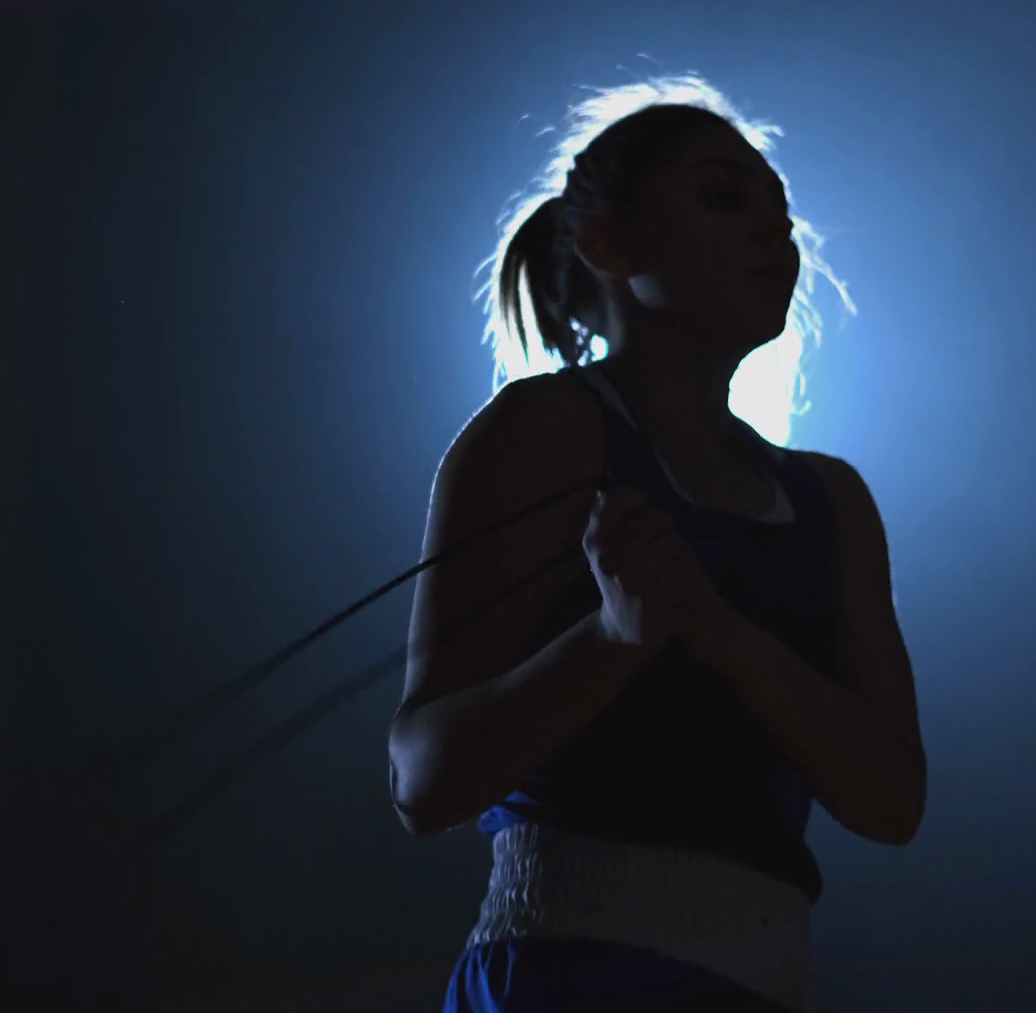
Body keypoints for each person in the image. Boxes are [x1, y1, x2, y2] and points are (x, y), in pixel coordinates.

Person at [386, 78, 926, 1012]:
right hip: (564, 976)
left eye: (782, 213)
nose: (778, 235)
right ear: (610, 246)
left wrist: (714, 631)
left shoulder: (830, 497)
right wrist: (611, 641)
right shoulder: (548, 429)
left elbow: (891, 799)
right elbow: (422, 780)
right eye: (725, 198)